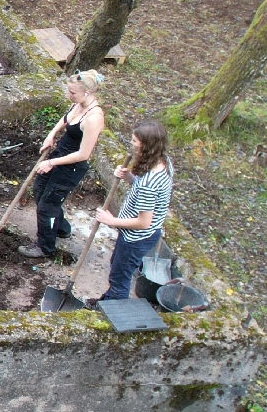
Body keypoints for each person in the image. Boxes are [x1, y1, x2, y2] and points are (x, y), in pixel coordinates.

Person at [19, 71, 105, 261]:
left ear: (88, 93)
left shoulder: (94, 118)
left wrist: (51, 162)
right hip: (59, 155)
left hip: (70, 167)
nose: (69, 95)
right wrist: (52, 134)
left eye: (73, 92)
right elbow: (66, 119)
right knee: (40, 191)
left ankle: (45, 247)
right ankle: (61, 228)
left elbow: (84, 154)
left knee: (46, 206)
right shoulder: (79, 104)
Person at [93, 120, 173, 302]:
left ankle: (114, 311)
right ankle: (106, 300)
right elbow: (147, 192)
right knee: (117, 266)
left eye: (134, 140)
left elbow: (143, 221)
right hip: (141, 234)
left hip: (136, 237)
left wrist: (111, 220)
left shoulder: (149, 183)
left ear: (146, 145)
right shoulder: (163, 162)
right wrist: (130, 177)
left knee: (119, 278)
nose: (131, 143)